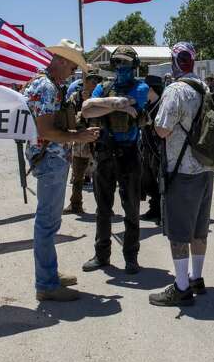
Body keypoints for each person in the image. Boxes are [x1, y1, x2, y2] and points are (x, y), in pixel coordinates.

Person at [23, 39, 100, 302]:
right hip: (50, 159)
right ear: (64, 61)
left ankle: (49, 275)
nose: (74, 73)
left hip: (47, 158)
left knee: (49, 222)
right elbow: (45, 131)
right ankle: (46, 284)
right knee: (46, 224)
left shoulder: (45, 83)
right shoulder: (48, 87)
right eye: (73, 67)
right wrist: (79, 136)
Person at [149, 42, 214, 307]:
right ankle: (196, 278)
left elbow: (162, 129)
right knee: (200, 228)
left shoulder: (176, 90)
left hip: (181, 170)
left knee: (179, 232)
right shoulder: (205, 87)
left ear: (175, 61)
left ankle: (181, 287)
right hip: (206, 167)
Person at [80, 46, 149, 275]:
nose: (121, 67)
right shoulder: (103, 86)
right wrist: (116, 103)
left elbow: (132, 104)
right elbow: (86, 110)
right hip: (104, 152)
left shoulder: (141, 87)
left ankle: (131, 257)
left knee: (131, 209)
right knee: (103, 209)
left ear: (134, 65)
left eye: (125, 63)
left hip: (128, 153)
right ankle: (102, 255)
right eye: (117, 62)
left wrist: (101, 104)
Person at [62, 65, 104, 215]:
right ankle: (75, 204)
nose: (94, 83)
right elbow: (70, 120)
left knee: (100, 177)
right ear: (84, 81)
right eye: (91, 80)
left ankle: (104, 207)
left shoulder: (102, 97)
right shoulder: (75, 97)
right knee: (78, 176)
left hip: (98, 142)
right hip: (80, 141)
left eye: (96, 80)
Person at [139, 74, 165, 224]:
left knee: (160, 182)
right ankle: (154, 208)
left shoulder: (162, 105)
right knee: (147, 181)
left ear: (151, 88)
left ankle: (162, 212)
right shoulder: (147, 104)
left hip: (158, 149)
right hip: (146, 148)